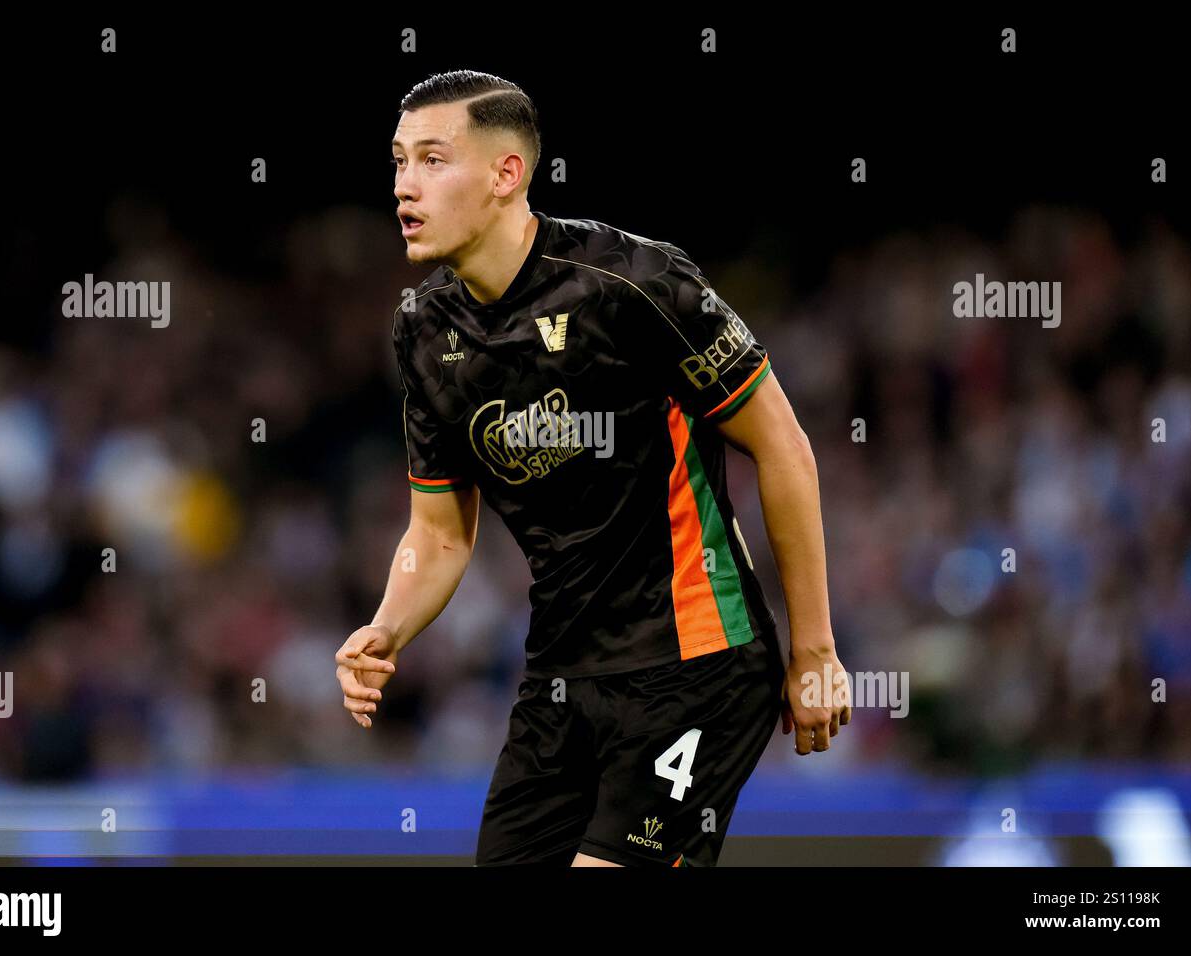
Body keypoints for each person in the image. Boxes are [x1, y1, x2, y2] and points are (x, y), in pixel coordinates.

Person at [336, 69, 851, 867]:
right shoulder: (423, 331)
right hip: (560, 683)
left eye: (433, 160)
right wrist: (387, 627)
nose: (405, 185)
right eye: (398, 161)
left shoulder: (635, 284)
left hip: (697, 666)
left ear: (508, 173)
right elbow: (438, 535)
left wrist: (814, 649)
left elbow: (783, 445)